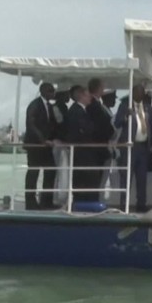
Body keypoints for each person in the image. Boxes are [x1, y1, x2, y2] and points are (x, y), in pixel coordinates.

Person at [114, 85, 152, 213]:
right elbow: (117, 123)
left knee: (142, 177)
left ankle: (141, 204)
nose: (139, 94)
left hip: (143, 147)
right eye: (137, 92)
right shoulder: (125, 106)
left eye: (141, 92)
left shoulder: (148, 108)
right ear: (132, 93)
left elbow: (151, 129)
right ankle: (124, 204)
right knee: (126, 177)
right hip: (129, 147)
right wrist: (126, 116)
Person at [23, 82, 58, 210]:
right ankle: (30, 203)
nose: (53, 93)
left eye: (53, 91)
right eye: (50, 91)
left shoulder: (49, 106)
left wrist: (53, 139)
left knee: (51, 171)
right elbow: (31, 124)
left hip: (46, 146)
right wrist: (42, 140)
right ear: (43, 91)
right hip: (35, 145)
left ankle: (46, 201)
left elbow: (51, 125)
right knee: (33, 172)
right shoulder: (35, 105)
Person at [63, 85, 97, 203]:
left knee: (86, 178)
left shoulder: (81, 110)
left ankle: (85, 201)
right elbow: (83, 129)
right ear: (80, 96)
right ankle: (81, 202)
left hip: (84, 151)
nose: (90, 98)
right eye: (88, 95)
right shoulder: (75, 111)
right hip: (80, 152)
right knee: (82, 178)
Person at [86, 79, 115, 188]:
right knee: (96, 176)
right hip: (97, 146)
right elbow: (99, 124)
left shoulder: (98, 104)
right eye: (102, 87)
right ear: (98, 89)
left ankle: (97, 195)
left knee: (101, 175)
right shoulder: (93, 105)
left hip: (103, 145)